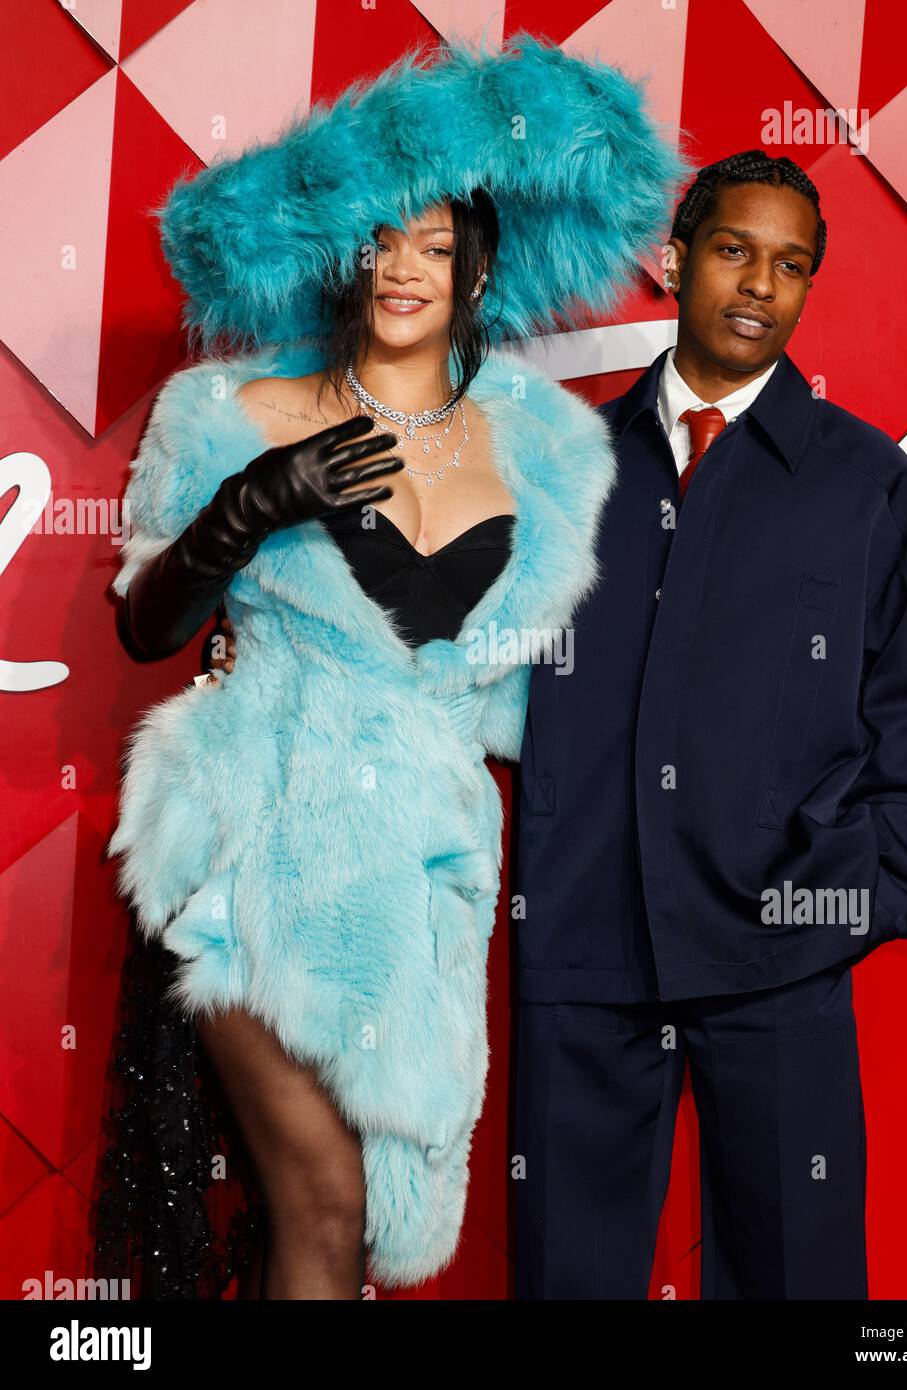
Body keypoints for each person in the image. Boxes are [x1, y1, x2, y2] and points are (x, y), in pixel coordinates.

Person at [95, 33, 689, 1300]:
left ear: (478, 266)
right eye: (386, 240)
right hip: (255, 835)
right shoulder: (231, 410)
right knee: (320, 1201)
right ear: (348, 254)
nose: (406, 267)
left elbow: (542, 697)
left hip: (421, 875)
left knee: (363, 1237)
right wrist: (253, 503)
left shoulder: (546, 449)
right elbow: (144, 627)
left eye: (437, 244)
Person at [507, 150, 907, 1298]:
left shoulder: (864, 482)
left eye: (790, 266)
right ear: (672, 263)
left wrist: (836, 895)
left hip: (777, 955)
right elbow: (449, 655)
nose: (760, 286)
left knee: (795, 1279)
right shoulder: (564, 466)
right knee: (564, 1280)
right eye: (733, 251)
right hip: (583, 943)